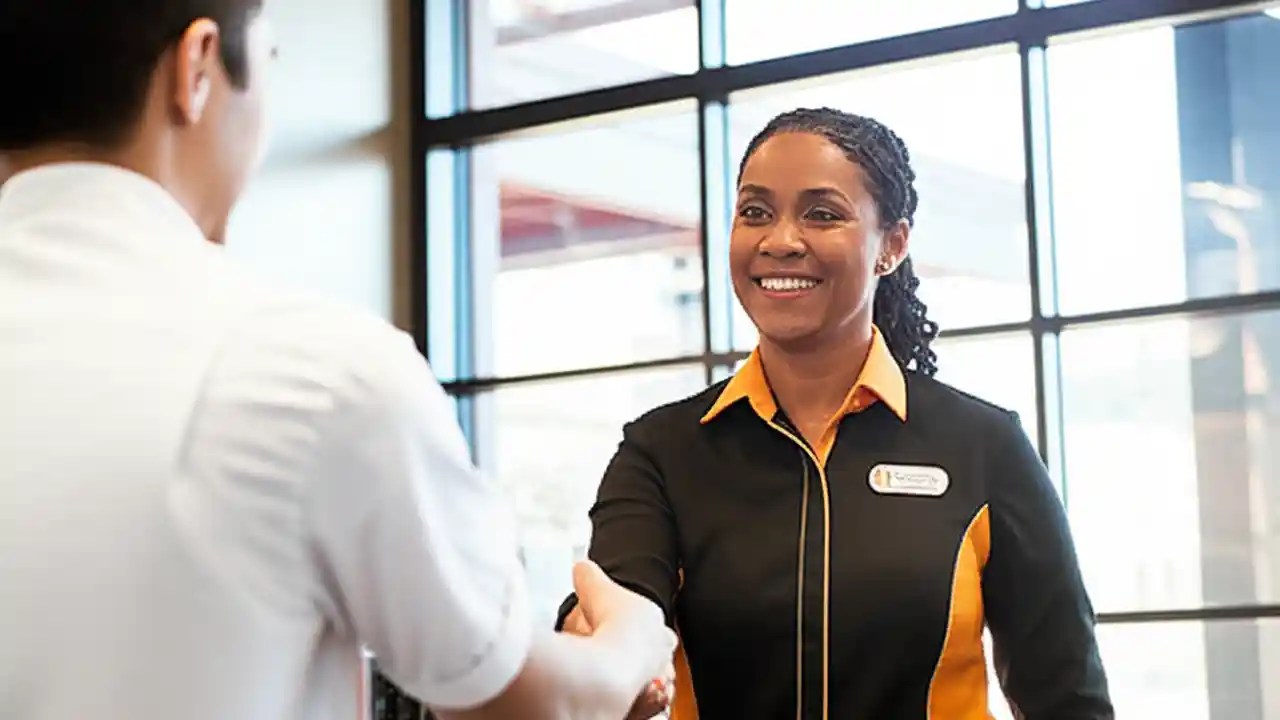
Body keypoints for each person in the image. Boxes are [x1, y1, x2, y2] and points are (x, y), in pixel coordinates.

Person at [0, 2, 674, 719]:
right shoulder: (307, 365)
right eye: (269, 67)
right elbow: (530, 706)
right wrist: (634, 640)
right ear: (196, 69)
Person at [558, 107, 1114, 719]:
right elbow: (618, 611)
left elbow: (1067, 698)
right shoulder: (662, 450)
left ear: (892, 246)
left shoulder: (983, 445)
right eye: (755, 212)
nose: (781, 240)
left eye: (822, 214)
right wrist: (600, 652)